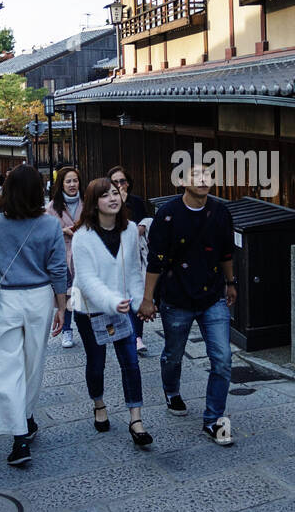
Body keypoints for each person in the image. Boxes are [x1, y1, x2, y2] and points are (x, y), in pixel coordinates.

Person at [0, 165, 69, 467]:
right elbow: (58, 269)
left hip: (6, 299)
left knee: (3, 366)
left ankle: (19, 436)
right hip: (40, 297)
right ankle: (26, 418)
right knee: (32, 362)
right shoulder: (50, 225)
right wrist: (62, 307)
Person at [138, 164, 237, 446]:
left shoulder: (220, 212)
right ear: (182, 182)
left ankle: (214, 419)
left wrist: (231, 282)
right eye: (197, 176)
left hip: (212, 296)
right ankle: (171, 390)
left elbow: (226, 252)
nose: (204, 180)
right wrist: (148, 299)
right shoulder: (167, 214)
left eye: (208, 175)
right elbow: (155, 261)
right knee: (174, 354)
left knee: (223, 359)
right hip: (176, 297)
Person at [72, 177, 151, 446]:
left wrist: (140, 302)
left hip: (122, 307)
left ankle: (136, 418)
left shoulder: (129, 230)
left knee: (130, 361)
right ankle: (99, 404)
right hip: (89, 310)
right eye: (105, 195)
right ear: (94, 203)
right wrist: (111, 301)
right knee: (97, 363)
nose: (113, 198)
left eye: (115, 193)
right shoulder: (83, 236)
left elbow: (132, 272)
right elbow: (86, 280)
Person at [108, 164, 151, 355]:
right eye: (115, 182)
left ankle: (137, 336)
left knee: (137, 295)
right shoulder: (106, 202)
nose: (119, 185)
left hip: (135, 255)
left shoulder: (137, 201)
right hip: (114, 255)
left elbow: (142, 226)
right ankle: (122, 331)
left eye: (122, 181)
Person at [46, 165, 83, 348]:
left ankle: (89, 328)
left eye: (75, 180)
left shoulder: (87, 202)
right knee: (67, 294)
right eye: (68, 181)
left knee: (85, 292)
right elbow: (47, 230)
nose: (72, 184)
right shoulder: (53, 206)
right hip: (65, 254)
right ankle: (67, 329)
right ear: (61, 184)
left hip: (84, 253)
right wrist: (63, 230)